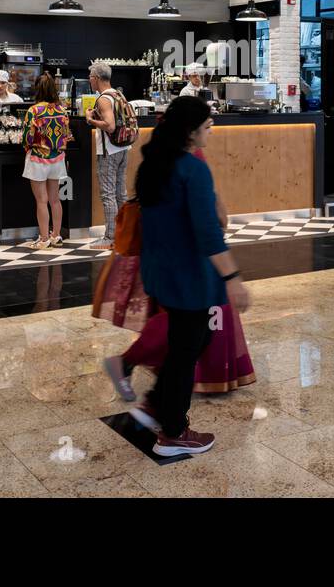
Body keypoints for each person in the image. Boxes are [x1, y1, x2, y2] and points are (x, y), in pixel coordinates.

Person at [123, 96, 251, 457]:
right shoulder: (191, 169)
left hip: (161, 270)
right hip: (189, 275)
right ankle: (174, 432)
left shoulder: (154, 164)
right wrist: (234, 278)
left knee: (192, 339)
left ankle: (157, 406)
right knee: (187, 348)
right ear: (191, 132)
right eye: (208, 127)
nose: (211, 132)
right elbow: (209, 233)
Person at [102, 151, 255, 398]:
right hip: (188, 255)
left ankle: (152, 377)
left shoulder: (163, 155)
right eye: (205, 124)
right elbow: (212, 216)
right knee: (190, 319)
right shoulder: (191, 159)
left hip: (167, 252)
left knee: (186, 319)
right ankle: (132, 368)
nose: (211, 125)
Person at [85, 62, 135, 251]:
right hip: (123, 148)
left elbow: (110, 126)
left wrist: (90, 119)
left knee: (108, 195)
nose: (89, 80)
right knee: (120, 193)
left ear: (96, 78)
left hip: (109, 151)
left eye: (90, 76)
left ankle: (110, 237)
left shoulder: (103, 99)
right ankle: (127, 233)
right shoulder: (118, 93)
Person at [21, 72, 72, 250]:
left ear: (37, 89)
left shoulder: (33, 111)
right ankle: (56, 236)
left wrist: (28, 148)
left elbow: (27, 137)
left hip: (38, 159)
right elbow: (67, 135)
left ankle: (43, 239)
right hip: (58, 158)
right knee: (55, 199)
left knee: (41, 200)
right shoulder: (62, 110)